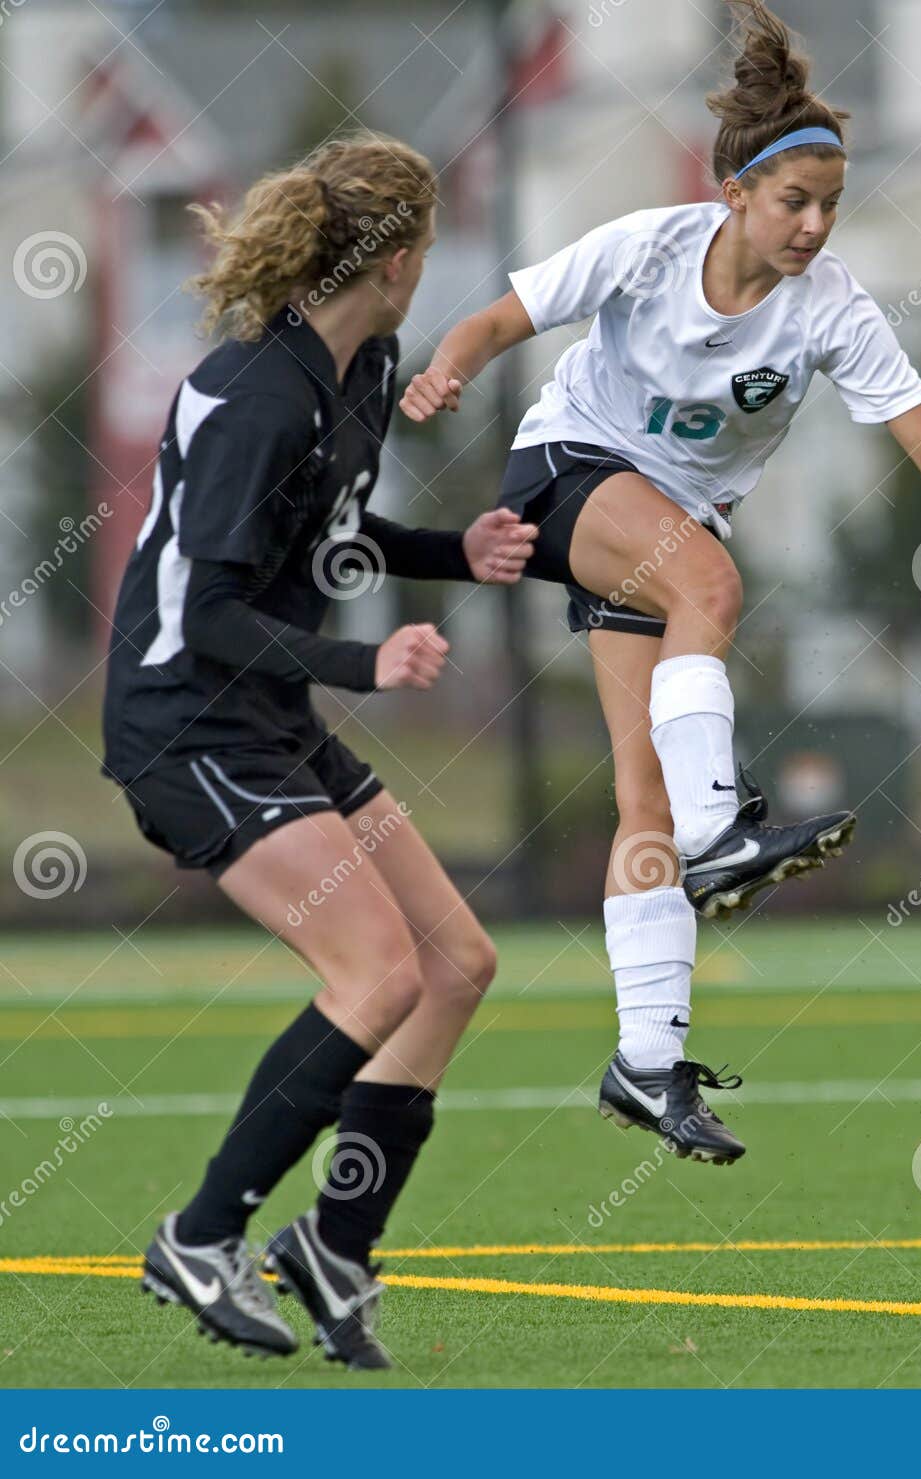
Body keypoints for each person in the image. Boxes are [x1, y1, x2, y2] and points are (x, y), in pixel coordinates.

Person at [402, 0, 921, 1166]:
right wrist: (445, 370)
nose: (813, 226)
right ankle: (723, 834)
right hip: (567, 469)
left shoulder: (832, 308)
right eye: (792, 202)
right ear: (733, 193)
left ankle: (645, 1061)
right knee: (710, 588)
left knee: (642, 804)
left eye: (830, 205)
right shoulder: (648, 246)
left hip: (668, 525)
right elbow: (500, 319)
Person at [100, 133, 537, 1368]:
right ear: (396, 262)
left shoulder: (365, 363)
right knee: (375, 978)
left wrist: (458, 554)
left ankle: (336, 1247)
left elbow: (336, 523)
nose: (428, 272)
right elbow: (209, 611)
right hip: (186, 721)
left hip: (271, 716)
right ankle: (201, 1235)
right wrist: (364, 664)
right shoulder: (255, 395)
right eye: (428, 250)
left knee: (453, 963)